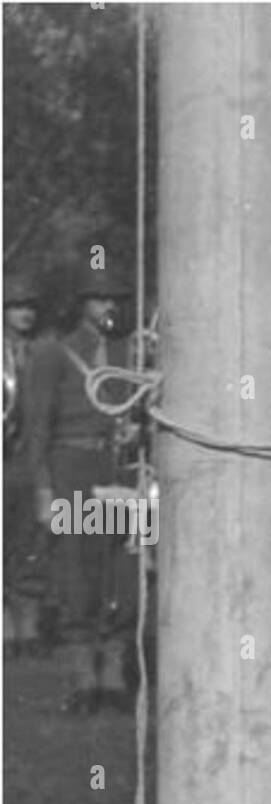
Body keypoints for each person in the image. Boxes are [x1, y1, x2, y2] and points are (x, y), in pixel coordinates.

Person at [21, 263, 135, 711]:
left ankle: (116, 673)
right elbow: (37, 428)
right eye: (100, 298)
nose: (109, 307)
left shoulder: (133, 354)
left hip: (124, 472)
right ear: (81, 304)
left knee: (125, 573)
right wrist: (44, 490)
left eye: (115, 299)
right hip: (74, 471)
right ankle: (85, 678)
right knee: (78, 572)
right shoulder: (55, 353)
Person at [3, 271, 48, 656]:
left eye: (30, 306)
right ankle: (4, 627)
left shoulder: (45, 351)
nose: (24, 314)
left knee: (31, 541)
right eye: (16, 306)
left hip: (30, 460)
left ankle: (29, 627)